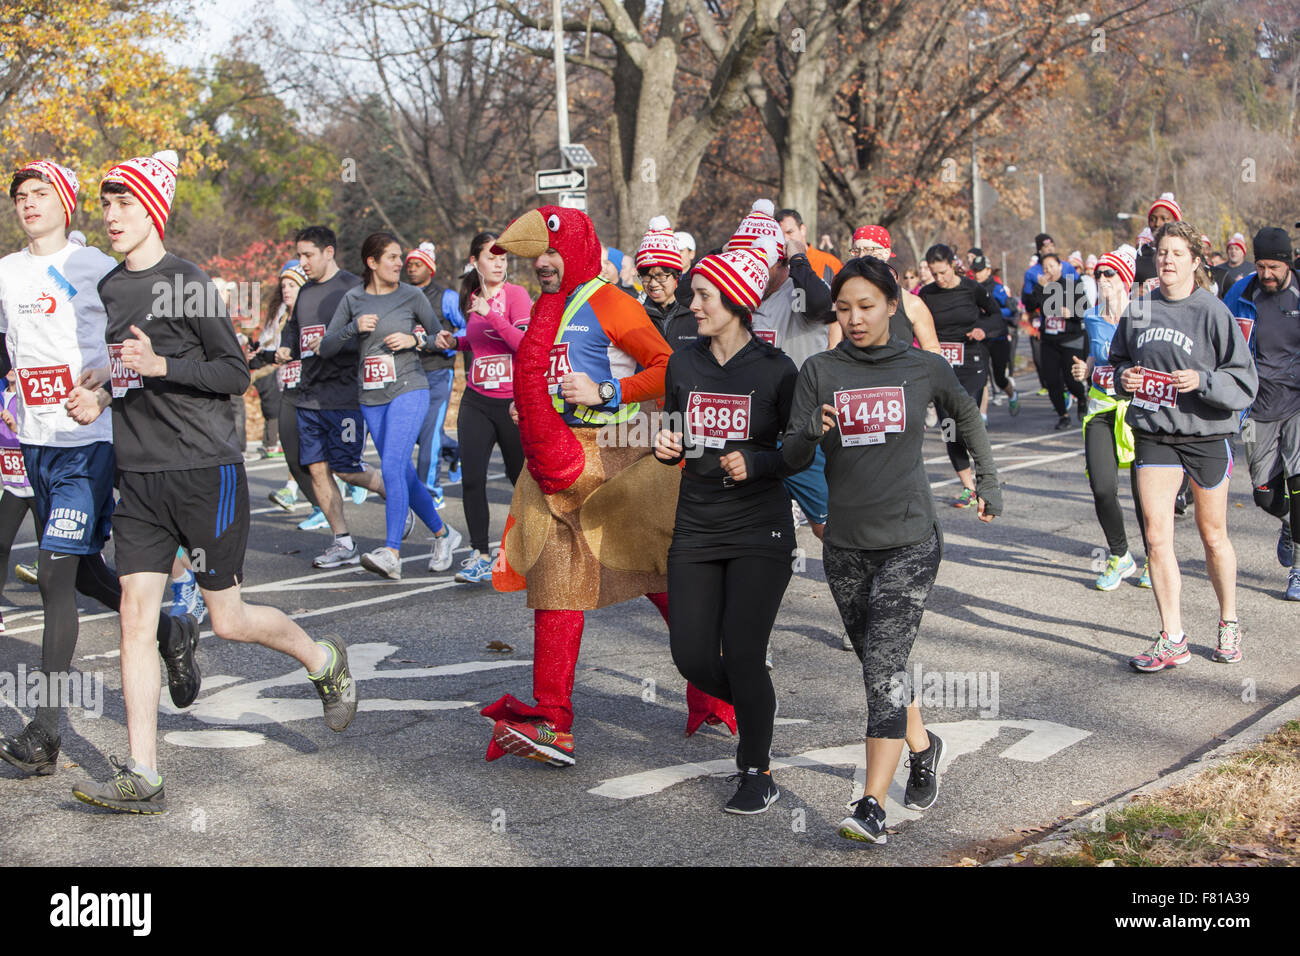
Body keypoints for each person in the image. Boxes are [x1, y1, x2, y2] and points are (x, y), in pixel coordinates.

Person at [65, 149, 357, 812]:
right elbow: (132, 373)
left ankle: (322, 660)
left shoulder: (188, 282)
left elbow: (232, 373)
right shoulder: (111, 288)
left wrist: (160, 362)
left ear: (153, 211)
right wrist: (103, 389)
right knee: (135, 619)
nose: (111, 217)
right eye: (105, 205)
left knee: (227, 620)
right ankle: (143, 773)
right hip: (138, 477)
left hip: (204, 472)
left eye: (125, 205)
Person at [481, 205, 735, 766]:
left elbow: (668, 366)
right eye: (538, 256)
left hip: (616, 461)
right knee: (556, 587)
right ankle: (552, 721)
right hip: (551, 466)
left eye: (551, 253)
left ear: (573, 250)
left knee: (655, 575)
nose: (543, 264)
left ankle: (717, 685)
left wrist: (607, 392)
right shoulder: (547, 307)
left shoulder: (610, 301)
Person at [782, 256, 1002, 844]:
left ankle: (871, 805)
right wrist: (810, 431)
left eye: (867, 306)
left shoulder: (922, 367)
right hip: (845, 546)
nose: (855, 318)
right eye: (845, 308)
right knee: (883, 667)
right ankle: (924, 747)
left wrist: (988, 479)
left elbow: (966, 418)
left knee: (881, 671)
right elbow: (792, 457)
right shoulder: (820, 372)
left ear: (891, 305)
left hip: (910, 540)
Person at [0, 158, 200, 779]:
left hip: (87, 444)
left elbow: (135, 342)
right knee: (86, 575)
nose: (29, 204)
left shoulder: (97, 269)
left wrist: (109, 388)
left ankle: (47, 730)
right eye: (20, 197)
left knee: (54, 575)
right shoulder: (5, 273)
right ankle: (170, 626)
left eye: (41, 194)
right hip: (28, 444)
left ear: (66, 203)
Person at [654, 236, 797, 814]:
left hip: (759, 529)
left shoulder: (776, 369)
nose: (694, 304)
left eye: (705, 295)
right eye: (693, 295)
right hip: (696, 523)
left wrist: (759, 460)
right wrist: (665, 445)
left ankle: (755, 768)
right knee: (690, 654)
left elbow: (800, 449)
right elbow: (672, 428)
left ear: (736, 301)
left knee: (742, 651)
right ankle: (757, 703)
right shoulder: (682, 361)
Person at [1109, 220, 1258, 671]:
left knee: (1213, 535)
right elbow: (1116, 362)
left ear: (1196, 261)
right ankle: (1173, 637)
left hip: (1205, 433)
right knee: (1156, 537)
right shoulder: (1139, 309)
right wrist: (1124, 377)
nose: (1168, 260)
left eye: (1177, 253)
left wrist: (1205, 381)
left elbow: (1244, 381)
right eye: (1162, 252)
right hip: (1155, 433)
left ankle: (1228, 619)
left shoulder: (1212, 311)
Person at [318, 232, 462, 579]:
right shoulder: (353, 299)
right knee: (403, 474)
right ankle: (444, 534)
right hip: (370, 397)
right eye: (393, 258)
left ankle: (392, 551)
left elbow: (437, 339)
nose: (401, 264)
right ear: (372, 262)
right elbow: (325, 347)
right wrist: (353, 328)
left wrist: (413, 339)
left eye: (401, 258)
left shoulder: (411, 295)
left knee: (394, 464)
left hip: (409, 388)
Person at [732, 200, 835, 541]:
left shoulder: (798, 293)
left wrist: (797, 255)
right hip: (753, 434)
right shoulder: (740, 298)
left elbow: (823, 306)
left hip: (799, 431)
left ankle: (862, 585)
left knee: (826, 527)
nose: (749, 271)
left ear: (778, 263)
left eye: (757, 263)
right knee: (752, 528)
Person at [276, 225, 378, 568]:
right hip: (310, 396)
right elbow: (295, 326)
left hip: (345, 394)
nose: (302, 261)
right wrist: (287, 345)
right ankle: (343, 541)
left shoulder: (351, 287)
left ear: (329, 252)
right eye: (299, 254)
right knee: (317, 469)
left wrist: (336, 343)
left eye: (308, 255)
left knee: (347, 470)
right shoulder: (304, 293)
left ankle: (401, 498)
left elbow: (370, 333)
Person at [434, 231, 530, 583]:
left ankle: (524, 549)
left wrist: (492, 315)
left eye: (503, 257)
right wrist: (454, 341)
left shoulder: (516, 295)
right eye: (492, 256)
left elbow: (524, 344)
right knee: (472, 478)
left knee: (519, 480)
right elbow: (479, 343)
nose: (499, 262)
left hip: (512, 402)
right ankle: (479, 554)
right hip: (476, 399)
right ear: (475, 262)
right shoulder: (472, 297)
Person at [1223, 226, 1300, 600]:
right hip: (1256, 410)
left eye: (1274, 267)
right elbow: (1217, 336)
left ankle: (1299, 569)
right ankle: (1288, 523)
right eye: (1262, 266)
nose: (1266, 274)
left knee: (1299, 483)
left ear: (1287, 263)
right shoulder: (1241, 292)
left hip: (1297, 403)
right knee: (1263, 492)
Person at [1071, 247, 1151, 590]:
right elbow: (1095, 352)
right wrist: (1085, 368)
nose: (1102, 279)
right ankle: (1120, 556)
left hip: (1138, 411)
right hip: (1101, 408)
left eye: (1110, 274)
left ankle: (1155, 555)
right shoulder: (1090, 316)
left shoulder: (1144, 316)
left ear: (1125, 281)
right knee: (1102, 487)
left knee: (1144, 494)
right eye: (1099, 273)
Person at [918, 244, 1002, 506]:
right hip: (942, 363)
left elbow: (997, 317)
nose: (939, 279)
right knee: (949, 427)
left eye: (942, 272)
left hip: (971, 360)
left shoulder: (971, 288)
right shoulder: (927, 293)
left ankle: (985, 478)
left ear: (953, 266)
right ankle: (968, 487)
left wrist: (982, 330)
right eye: (934, 273)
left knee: (967, 421)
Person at [403, 241, 462, 506]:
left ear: (430, 269)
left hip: (439, 372)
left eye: (417, 265)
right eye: (409, 266)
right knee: (414, 430)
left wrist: (450, 342)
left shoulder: (447, 297)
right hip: (408, 373)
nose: (412, 270)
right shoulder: (401, 295)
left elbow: (467, 328)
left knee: (429, 433)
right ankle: (455, 451)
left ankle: (431, 492)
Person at [262, 261, 315, 514]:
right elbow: (266, 346)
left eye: (292, 284)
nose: (286, 289)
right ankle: (297, 491)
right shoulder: (281, 315)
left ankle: (303, 494)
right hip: (286, 385)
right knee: (293, 447)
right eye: (283, 285)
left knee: (308, 447)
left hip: (311, 390)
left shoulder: (313, 313)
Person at [846, 226, 940, 355]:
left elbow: (933, 351)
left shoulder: (911, 303)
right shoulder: (844, 300)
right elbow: (833, 350)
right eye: (856, 251)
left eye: (869, 250)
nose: (861, 256)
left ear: (886, 253)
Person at [1037, 252, 1091, 430]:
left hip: (1070, 338)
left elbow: (1086, 309)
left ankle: (1081, 398)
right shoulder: (1041, 286)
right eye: (1045, 268)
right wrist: (1042, 289)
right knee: (1051, 380)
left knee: (1072, 379)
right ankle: (1063, 415)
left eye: (1051, 266)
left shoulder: (1072, 284)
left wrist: (1072, 313)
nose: (1048, 270)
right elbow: (1031, 305)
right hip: (1049, 340)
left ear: (1060, 266)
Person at [0, 370, 38, 608]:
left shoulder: (30, 399)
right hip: (13, 486)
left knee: (52, 551)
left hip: (37, 486)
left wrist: (16, 429)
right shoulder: (1, 396)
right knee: (1, 544)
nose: (11, 367)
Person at [636, 216, 696, 352]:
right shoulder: (636, 315)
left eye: (661, 276)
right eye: (646, 277)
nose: (653, 284)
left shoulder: (696, 314)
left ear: (676, 277)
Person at [972, 254, 1019, 415]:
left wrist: (993, 311)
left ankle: (1012, 395)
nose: (977, 273)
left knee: (999, 378)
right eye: (974, 270)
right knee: (981, 378)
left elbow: (1011, 308)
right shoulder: (971, 287)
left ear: (988, 270)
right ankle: (983, 415)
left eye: (980, 270)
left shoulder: (997, 288)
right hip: (981, 339)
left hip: (998, 337)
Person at [777, 208, 842, 286]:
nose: (785, 239)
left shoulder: (829, 263)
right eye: (779, 235)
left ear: (803, 230)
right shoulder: (773, 268)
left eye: (789, 232)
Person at [1133, 193, 1181, 288]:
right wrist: (1137, 294)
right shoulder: (1141, 254)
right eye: (1152, 219)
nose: (1157, 224)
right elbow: (1134, 293)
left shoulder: (1186, 252)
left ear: (1176, 222)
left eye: (1164, 219)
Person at [1214, 233, 1254, 300]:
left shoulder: (1251, 269)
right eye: (1230, 249)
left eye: (1237, 249)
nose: (1233, 251)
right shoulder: (1219, 269)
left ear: (1243, 252)